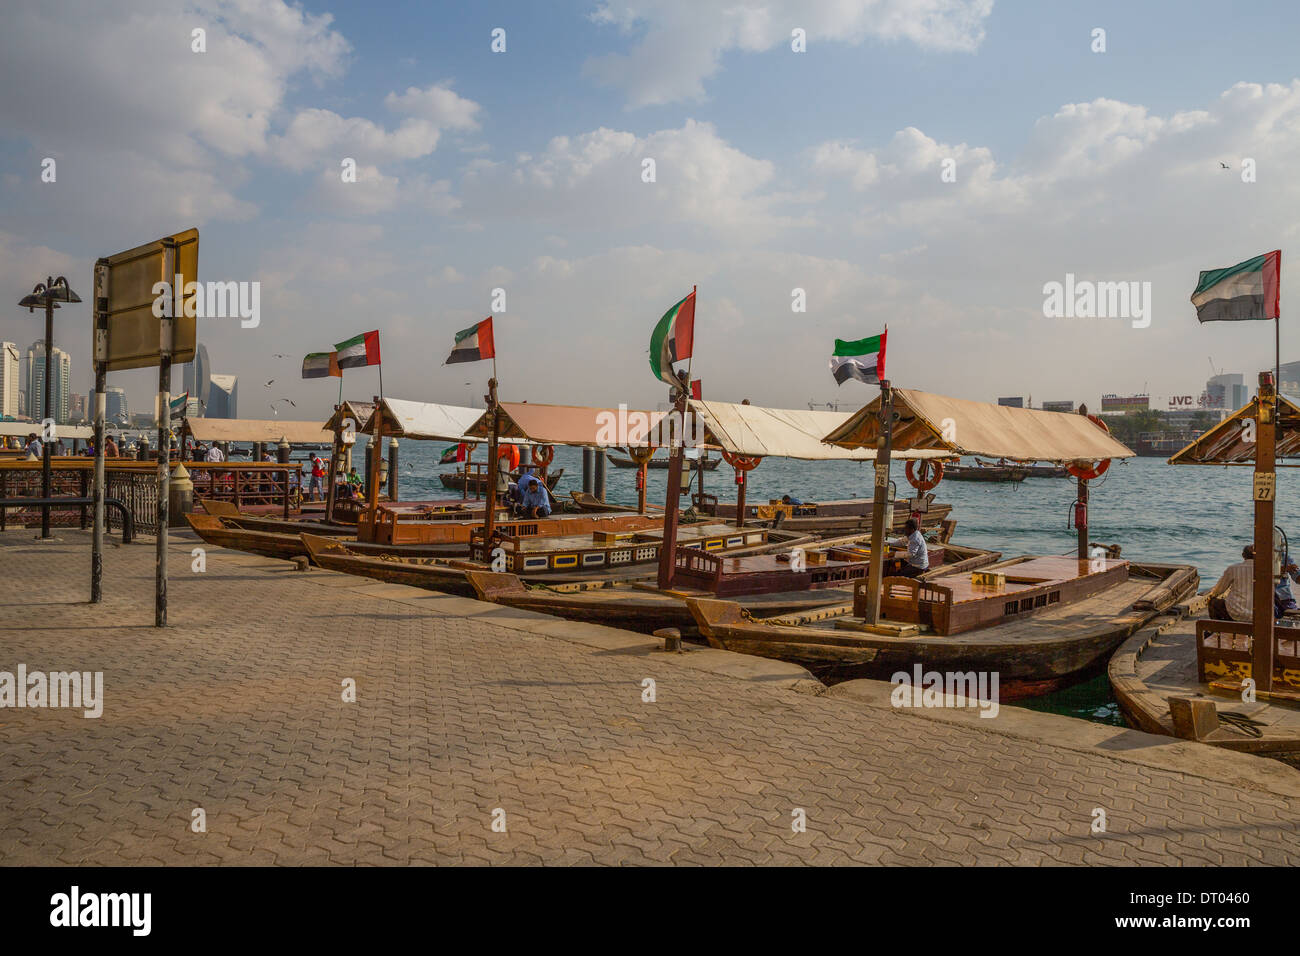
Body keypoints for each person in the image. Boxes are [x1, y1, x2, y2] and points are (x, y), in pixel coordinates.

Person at [1208, 546, 1255, 622]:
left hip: (1235, 613)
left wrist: (1212, 595)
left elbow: (1219, 589)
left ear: (1243, 555)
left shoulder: (1234, 568)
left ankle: (1216, 630)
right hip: (1257, 616)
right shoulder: (1265, 570)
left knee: (1213, 602)